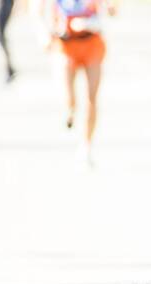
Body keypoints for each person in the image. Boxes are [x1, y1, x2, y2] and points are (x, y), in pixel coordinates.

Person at [44, 0, 116, 163]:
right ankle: (70, 110)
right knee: (70, 99)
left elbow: (112, 9)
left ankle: (86, 145)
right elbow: (41, 11)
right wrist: (46, 33)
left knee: (92, 98)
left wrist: (109, 9)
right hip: (65, 44)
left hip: (92, 43)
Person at [0, 0, 18, 82]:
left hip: (6, 5)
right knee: (0, 37)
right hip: (3, 6)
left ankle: (9, 68)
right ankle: (9, 67)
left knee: (1, 37)